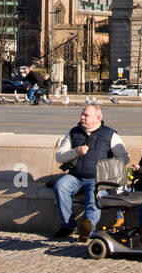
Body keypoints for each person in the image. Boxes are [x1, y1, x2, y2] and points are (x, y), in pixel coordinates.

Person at [52, 102, 129, 240]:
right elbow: (59, 156)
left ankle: (88, 229)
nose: (82, 118)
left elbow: (124, 158)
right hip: (75, 177)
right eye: (82, 114)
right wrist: (75, 152)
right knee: (60, 186)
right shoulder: (73, 132)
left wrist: (107, 170)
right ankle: (68, 225)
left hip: (97, 179)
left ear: (98, 117)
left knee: (94, 197)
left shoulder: (109, 134)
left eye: (86, 115)